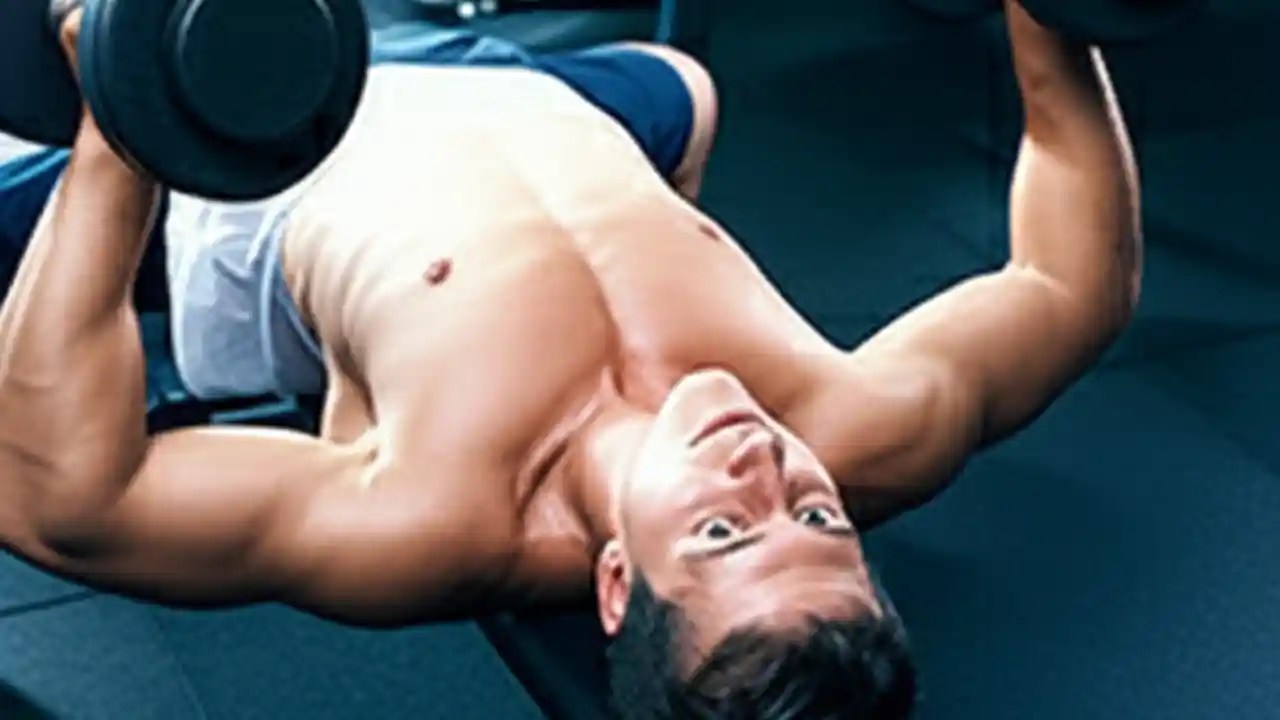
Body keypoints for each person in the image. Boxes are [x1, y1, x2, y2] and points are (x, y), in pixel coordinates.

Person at [0, 1, 1140, 717]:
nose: (767, 471)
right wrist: (1057, 25)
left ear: (609, 583)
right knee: (685, 91)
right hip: (515, 91)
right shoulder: (855, 430)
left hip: (256, 163)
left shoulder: (439, 520)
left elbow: (68, 502)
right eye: (822, 521)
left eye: (721, 531)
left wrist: (125, 125)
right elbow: (1066, 289)